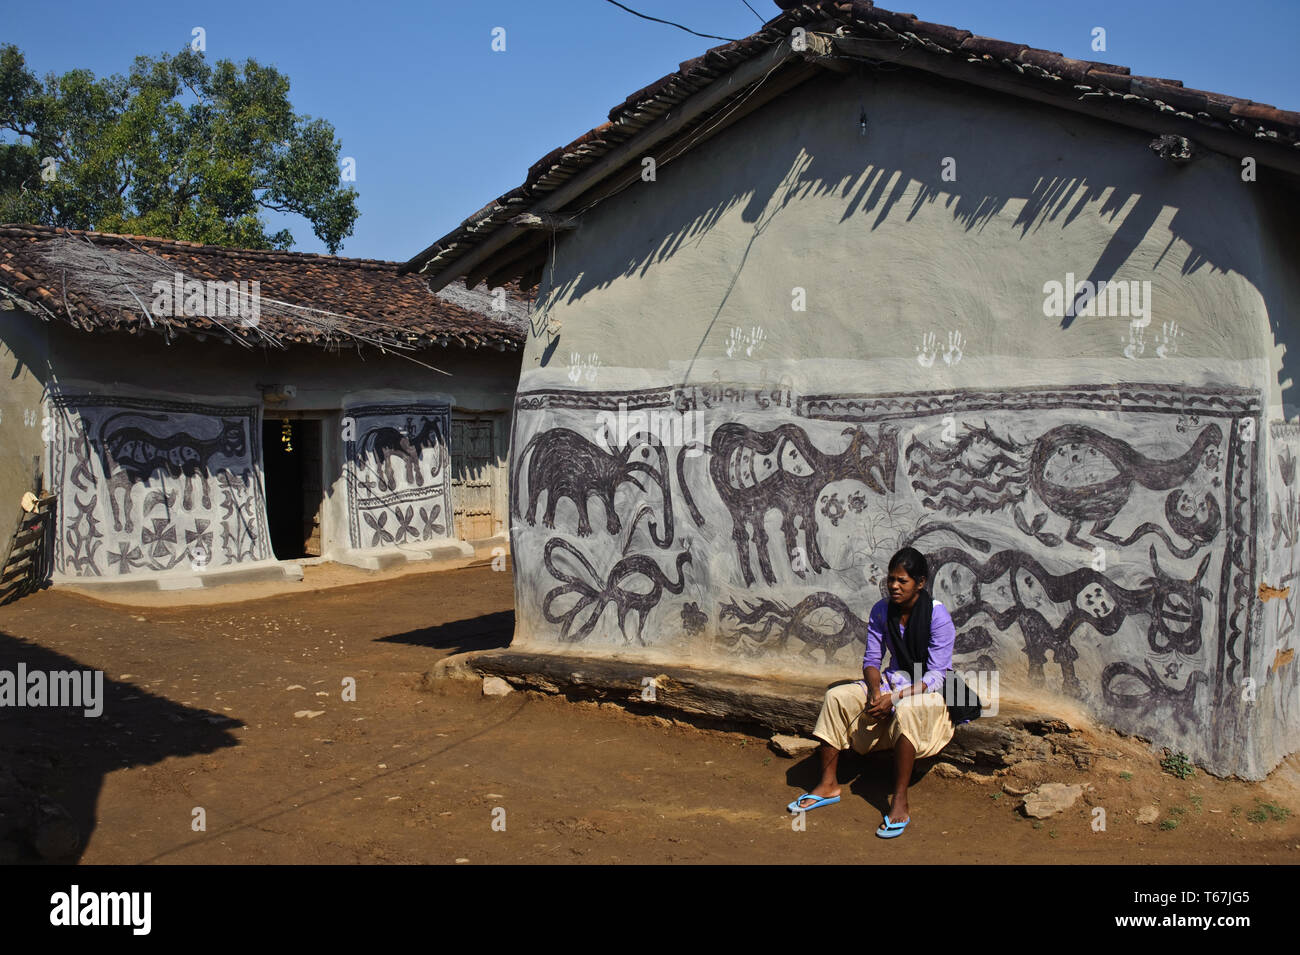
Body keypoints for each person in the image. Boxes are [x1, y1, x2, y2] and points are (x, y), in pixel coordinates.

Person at [786, 547, 955, 838]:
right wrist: (876, 691)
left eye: (902, 581)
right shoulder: (881, 610)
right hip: (893, 682)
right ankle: (828, 783)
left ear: (921, 583)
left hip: (928, 690)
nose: (894, 586)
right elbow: (872, 660)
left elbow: (937, 675)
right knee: (837, 696)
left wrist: (896, 698)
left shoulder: (937, 617)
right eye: (891, 579)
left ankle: (899, 800)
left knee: (907, 709)